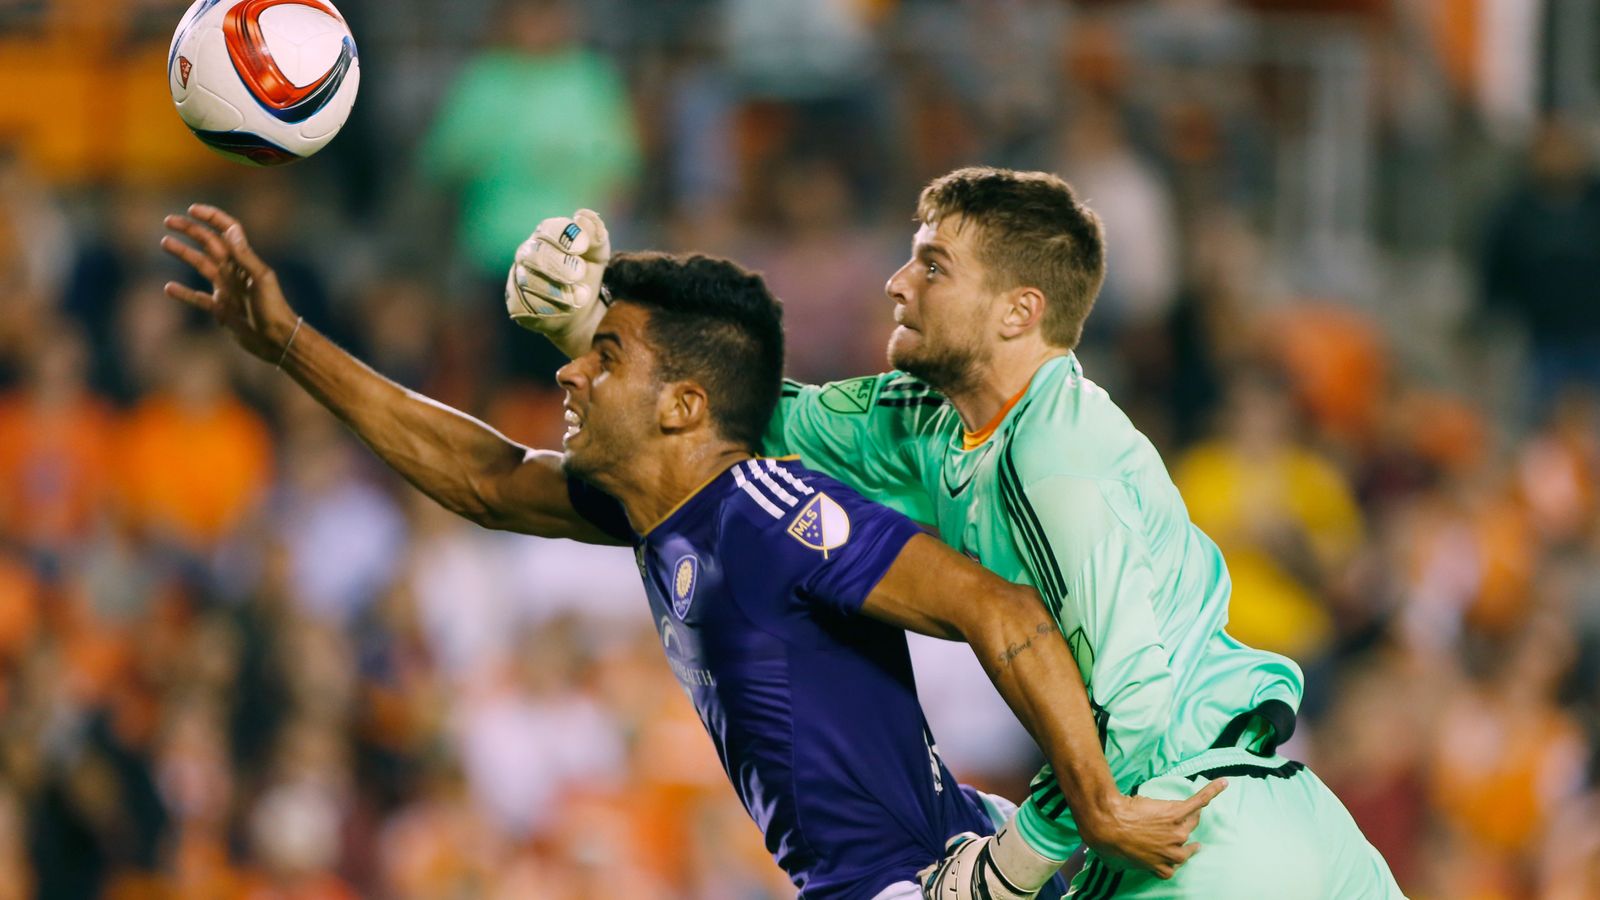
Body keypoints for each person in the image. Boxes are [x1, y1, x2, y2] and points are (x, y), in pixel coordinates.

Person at [159, 205, 1219, 900]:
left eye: (604, 357)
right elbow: (480, 477)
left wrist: (1092, 796)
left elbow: (1005, 612)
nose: (571, 376)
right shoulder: (653, 510)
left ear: (683, 404)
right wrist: (290, 343)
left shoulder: (768, 512)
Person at [507, 167, 1404, 899]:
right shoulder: (928, 420)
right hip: (1282, 821)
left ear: (1017, 313)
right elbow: (731, 414)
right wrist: (594, 320)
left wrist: (1007, 872)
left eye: (933, 265)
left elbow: (1124, 710)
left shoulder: (1059, 460)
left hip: (1189, 836)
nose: (899, 282)